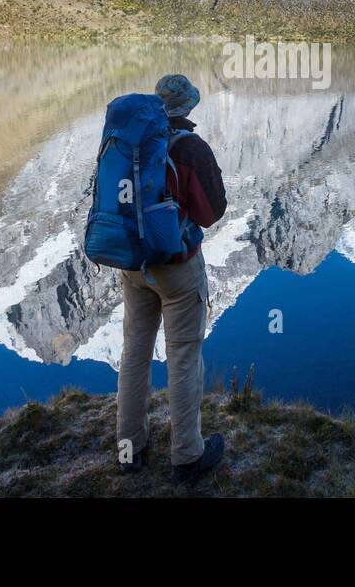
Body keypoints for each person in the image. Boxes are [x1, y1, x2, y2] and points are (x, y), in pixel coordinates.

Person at [116, 73, 228, 485]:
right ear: (188, 107)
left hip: (133, 265)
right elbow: (210, 213)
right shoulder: (189, 147)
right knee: (182, 356)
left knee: (134, 354)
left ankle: (129, 449)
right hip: (177, 269)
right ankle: (186, 457)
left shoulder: (130, 141)